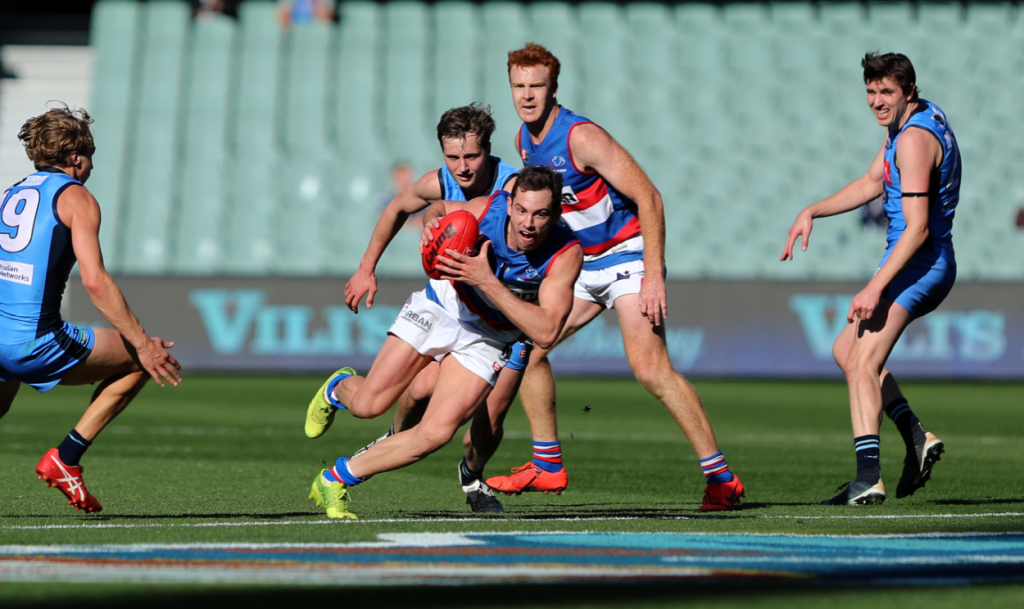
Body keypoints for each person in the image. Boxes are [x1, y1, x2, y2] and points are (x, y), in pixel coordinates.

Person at [468, 43, 744, 511]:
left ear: (554, 88)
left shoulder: (582, 137)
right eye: (519, 86)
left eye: (537, 86)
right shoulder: (524, 139)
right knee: (532, 345)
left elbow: (650, 198)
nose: (527, 95)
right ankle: (548, 464)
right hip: (585, 263)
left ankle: (722, 479)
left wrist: (653, 275)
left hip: (626, 256)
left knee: (650, 369)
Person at [304, 166, 581, 519]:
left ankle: (333, 480)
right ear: (511, 205)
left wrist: (488, 281)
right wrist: (433, 224)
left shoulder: (566, 253)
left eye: (541, 214)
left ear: (555, 214)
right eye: (523, 210)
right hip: (444, 305)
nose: (529, 223)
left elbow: (546, 331)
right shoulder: (487, 209)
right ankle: (339, 387)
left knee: (435, 434)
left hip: (490, 337)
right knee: (368, 405)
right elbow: (438, 208)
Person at [782, 52, 959, 505]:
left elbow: (917, 228)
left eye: (887, 92)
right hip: (917, 261)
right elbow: (871, 182)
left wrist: (875, 286)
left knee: (861, 363)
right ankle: (915, 434)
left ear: (908, 92)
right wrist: (812, 210)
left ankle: (867, 478)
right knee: (847, 349)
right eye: (871, 91)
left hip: (920, 263)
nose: (877, 101)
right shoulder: (914, 120)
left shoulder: (913, 141)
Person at [0, 106, 181, 513]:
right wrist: (143, 343)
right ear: (76, 158)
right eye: (91, 158)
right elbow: (95, 281)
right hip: (33, 342)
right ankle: (66, 458)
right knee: (139, 358)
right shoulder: (76, 196)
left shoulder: (13, 191)